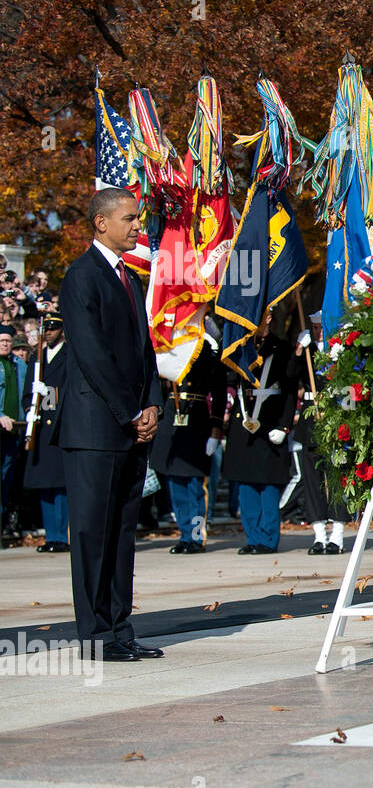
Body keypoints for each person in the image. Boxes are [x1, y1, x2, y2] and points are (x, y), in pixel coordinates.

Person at [50, 187, 164, 661]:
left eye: (138, 218)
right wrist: (130, 412)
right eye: (130, 219)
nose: (139, 226)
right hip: (96, 430)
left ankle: (120, 628)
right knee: (94, 535)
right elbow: (93, 355)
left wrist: (153, 402)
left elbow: (144, 349)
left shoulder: (129, 279)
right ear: (101, 223)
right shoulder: (82, 277)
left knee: (121, 534)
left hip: (131, 427)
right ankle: (95, 635)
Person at [223, 311, 301, 554]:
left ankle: (267, 539)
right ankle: (252, 537)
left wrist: (284, 425)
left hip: (270, 421)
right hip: (244, 421)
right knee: (246, 485)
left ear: (268, 318)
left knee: (268, 486)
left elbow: (289, 389)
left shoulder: (281, 347)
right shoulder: (240, 345)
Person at [151, 336, 225, 553]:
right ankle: (184, 535)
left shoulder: (207, 350)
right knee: (176, 485)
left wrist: (215, 429)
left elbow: (219, 394)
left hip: (196, 417)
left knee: (194, 485)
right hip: (172, 419)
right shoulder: (169, 349)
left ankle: (195, 536)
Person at [290, 313, 347, 556]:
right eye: (314, 327)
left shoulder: (340, 349)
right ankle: (319, 535)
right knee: (311, 480)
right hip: (310, 419)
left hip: (333, 415)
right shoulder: (307, 350)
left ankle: (337, 534)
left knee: (336, 478)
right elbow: (290, 375)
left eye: (321, 327)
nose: (318, 332)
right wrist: (299, 351)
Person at [22, 314, 69, 552]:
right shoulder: (36, 360)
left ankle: (61, 536)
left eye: (54, 328)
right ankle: (51, 535)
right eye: (46, 329)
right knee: (44, 485)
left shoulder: (69, 356)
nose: (49, 332)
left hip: (59, 427)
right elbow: (26, 394)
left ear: (62, 330)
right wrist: (30, 406)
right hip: (41, 427)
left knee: (60, 486)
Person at [0, 324, 29, 544]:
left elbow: (27, 392)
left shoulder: (20, 365)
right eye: (1, 340)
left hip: (15, 430)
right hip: (2, 425)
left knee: (6, 480)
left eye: (8, 341)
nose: (5, 344)